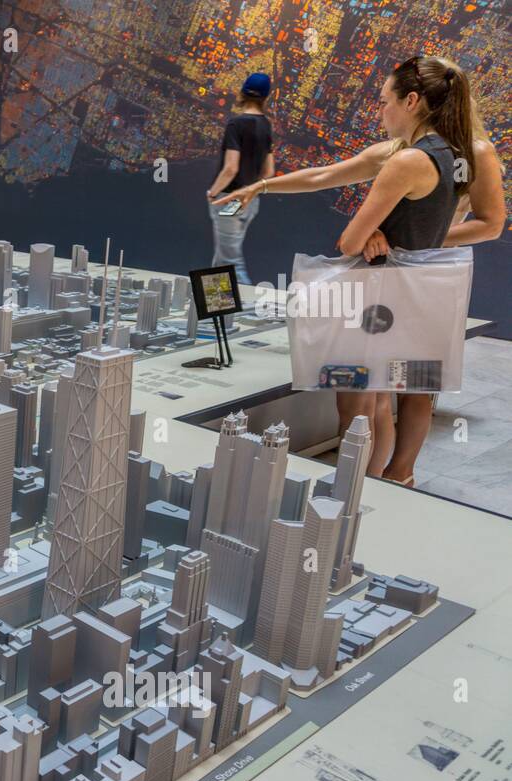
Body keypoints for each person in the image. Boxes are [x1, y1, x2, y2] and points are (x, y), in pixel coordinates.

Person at [216, 55, 506, 486]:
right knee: (408, 389)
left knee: (366, 401)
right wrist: (262, 183)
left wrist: (402, 240)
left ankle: (363, 487)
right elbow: (325, 176)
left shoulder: (421, 158)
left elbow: (353, 239)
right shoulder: (424, 152)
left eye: (384, 100)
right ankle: (393, 483)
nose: (379, 110)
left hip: (382, 292)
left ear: (411, 101)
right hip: (428, 288)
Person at [205, 73, 274, 293]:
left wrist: (213, 193)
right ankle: (217, 311)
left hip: (228, 200)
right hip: (250, 201)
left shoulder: (236, 124)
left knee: (230, 261)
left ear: (242, 92)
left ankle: (249, 308)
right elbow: (269, 172)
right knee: (222, 258)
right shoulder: (266, 125)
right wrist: (251, 190)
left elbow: (231, 168)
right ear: (266, 97)